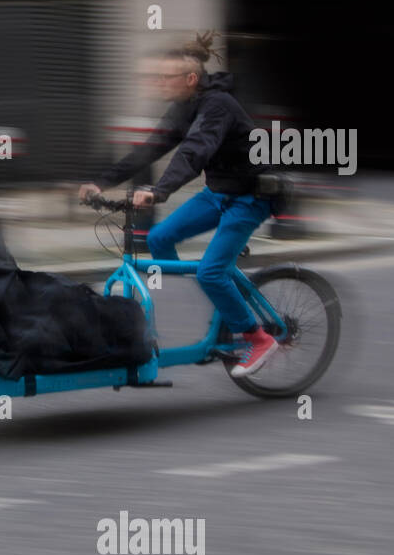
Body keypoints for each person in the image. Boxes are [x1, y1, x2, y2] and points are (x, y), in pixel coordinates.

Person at [78, 31, 278, 378]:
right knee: (158, 239)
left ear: (190, 79)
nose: (158, 82)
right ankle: (220, 288)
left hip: (250, 196)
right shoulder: (182, 107)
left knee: (210, 272)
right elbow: (149, 150)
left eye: (164, 77)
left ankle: (258, 338)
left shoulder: (219, 106)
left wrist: (159, 191)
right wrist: (101, 181)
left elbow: (194, 151)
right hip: (218, 194)